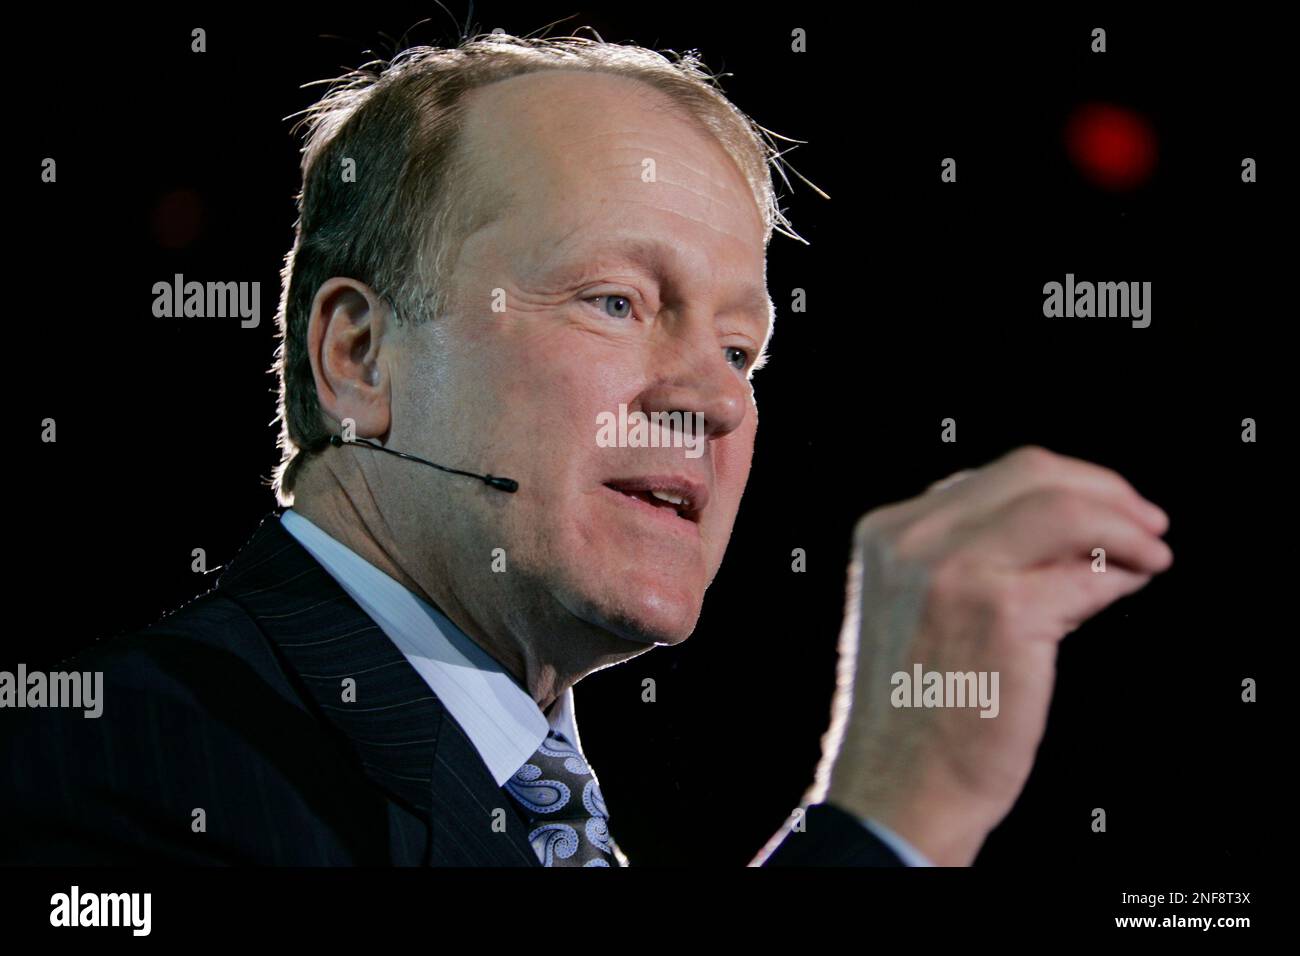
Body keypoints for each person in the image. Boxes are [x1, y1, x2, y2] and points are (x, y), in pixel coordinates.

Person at [0, 33, 1173, 867]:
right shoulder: (109, 763)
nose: (708, 398)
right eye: (614, 300)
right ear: (358, 357)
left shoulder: (549, 805)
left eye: (740, 350)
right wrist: (886, 819)